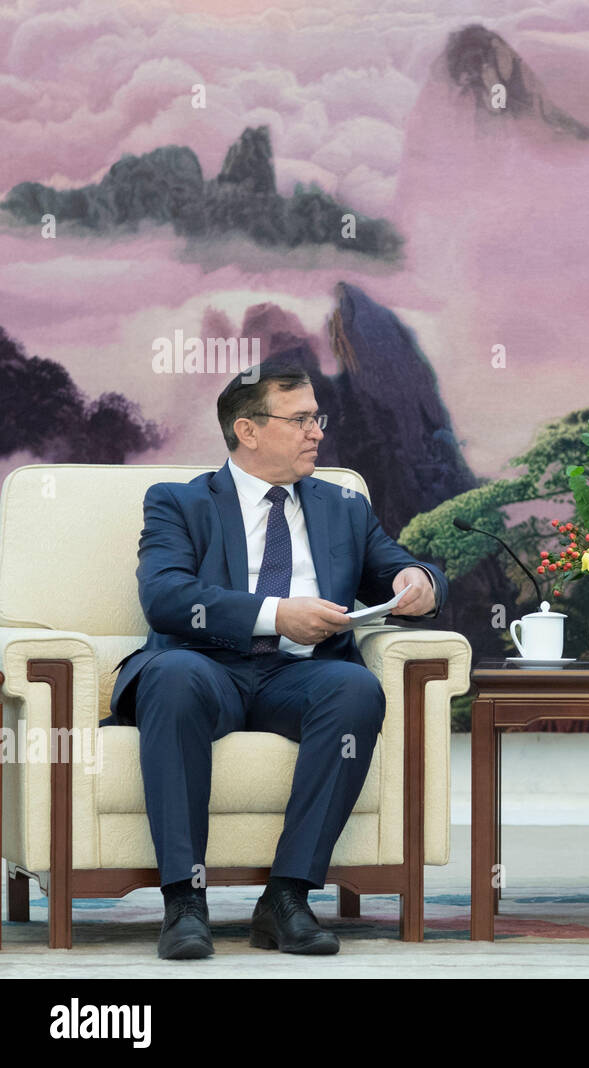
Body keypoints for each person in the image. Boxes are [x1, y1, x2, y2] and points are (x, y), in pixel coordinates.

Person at [108, 360, 448, 960]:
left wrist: (417, 580)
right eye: (301, 419)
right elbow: (164, 598)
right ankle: (184, 902)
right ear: (249, 430)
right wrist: (274, 614)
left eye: (319, 417)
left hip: (299, 677)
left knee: (354, 688)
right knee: (174, 674)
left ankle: (286, 898)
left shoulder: (342, 506)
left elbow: (397, 566)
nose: (318, 431)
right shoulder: (180, 503)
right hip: (204, 668)